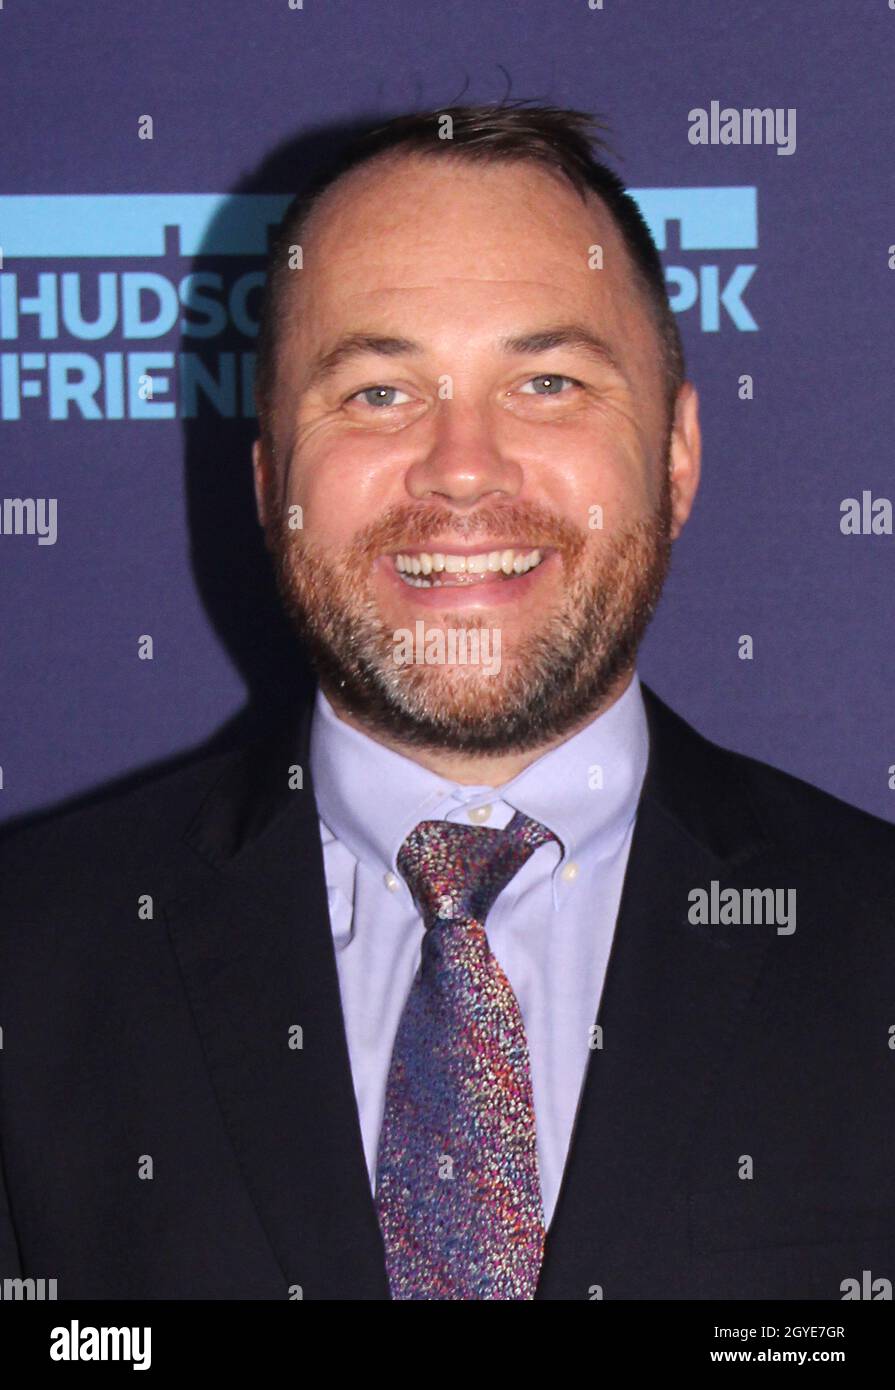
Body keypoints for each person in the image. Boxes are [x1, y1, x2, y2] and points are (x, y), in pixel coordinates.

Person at [2, 104, 894, 1302]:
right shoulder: (33, 959)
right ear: (269, 482)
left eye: (547, 380)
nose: (462, 466)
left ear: (675, 457)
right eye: (376, 392)